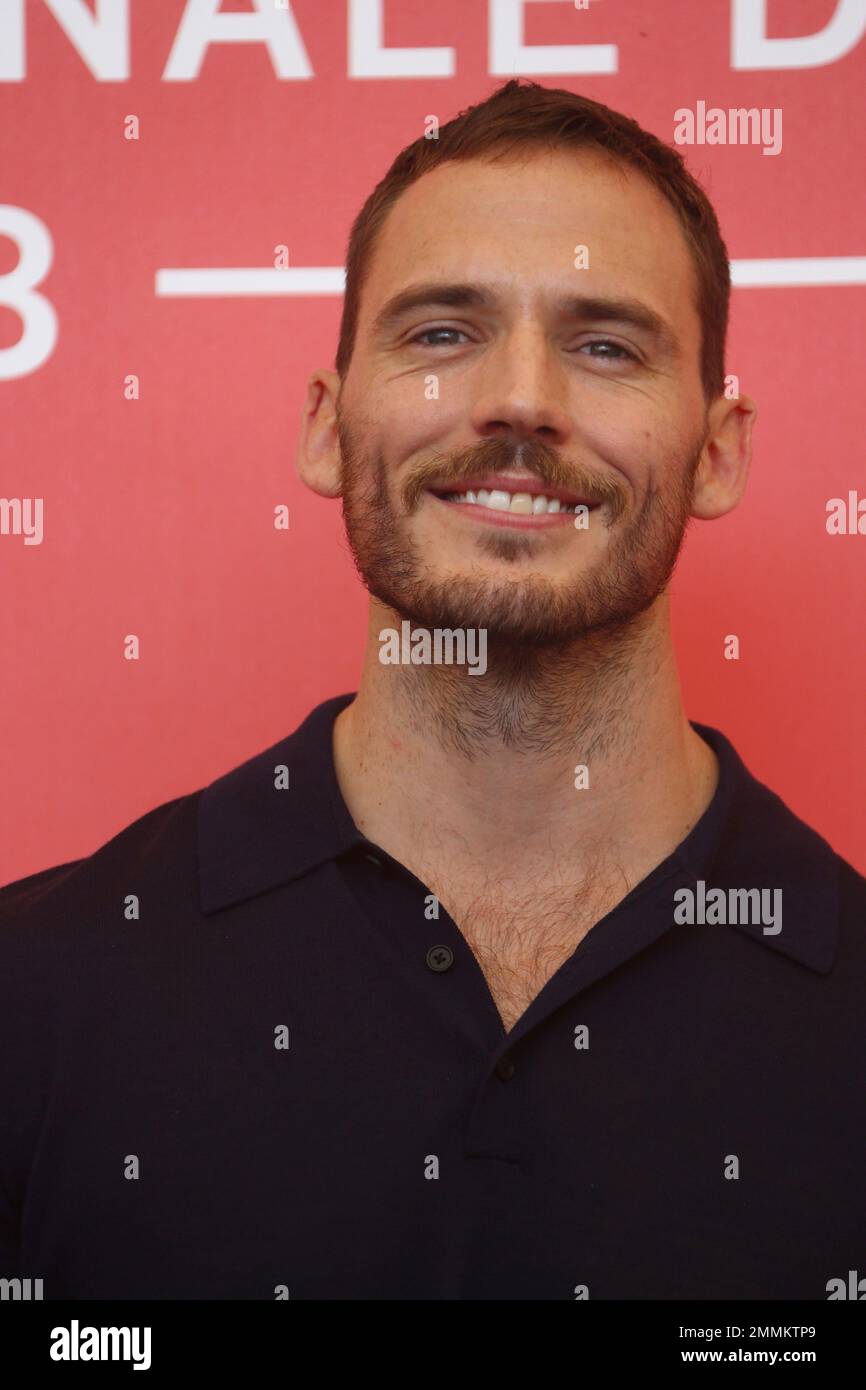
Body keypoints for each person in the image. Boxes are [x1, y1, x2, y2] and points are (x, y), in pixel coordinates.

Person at [2, 80, 864, 1301]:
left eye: (604, 345)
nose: (520, 399)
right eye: (441, 333)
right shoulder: (36, 992)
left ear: (716, 451)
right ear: (324, 425)